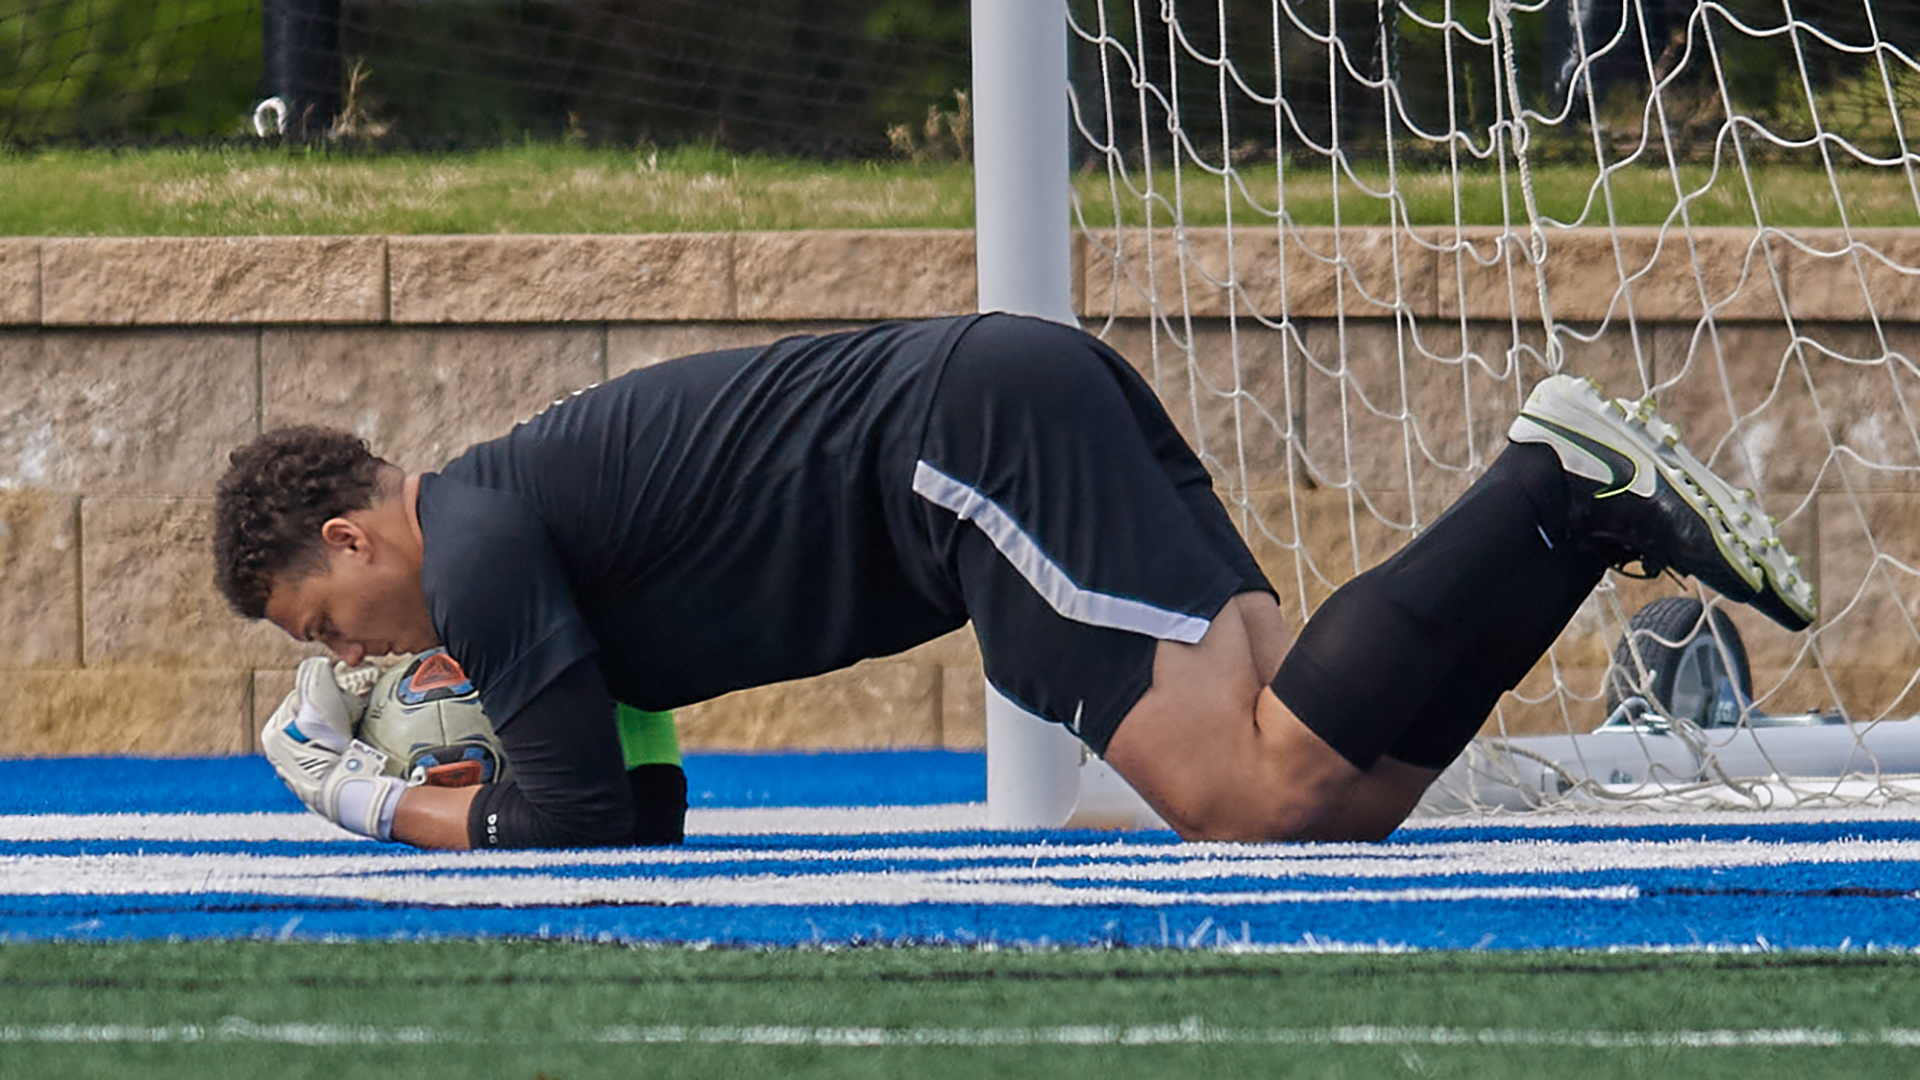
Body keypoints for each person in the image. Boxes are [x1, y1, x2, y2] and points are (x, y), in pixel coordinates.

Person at [213, 314, 1815, 849]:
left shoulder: (477, 539)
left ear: (353, 541)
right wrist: (485, 749)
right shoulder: (507, 535)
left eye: (327, 628)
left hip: (959, 452)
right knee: (1328, 796)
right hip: (999, 416)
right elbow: (628, 823)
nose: (362, 649)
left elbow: (550, 840)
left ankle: (1552, 479)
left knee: (1245, 801)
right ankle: (1581, 523)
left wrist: (361, 794)